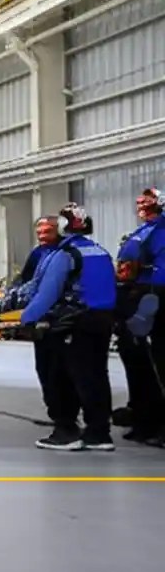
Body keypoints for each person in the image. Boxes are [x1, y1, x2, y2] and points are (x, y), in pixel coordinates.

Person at [19, 204, 118, 451]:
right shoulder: (100, 251)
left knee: (61, 377)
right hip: (103, 321)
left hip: (74, 323)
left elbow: (47, 293)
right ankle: (99, 433)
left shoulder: (66, 254)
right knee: (96, 376)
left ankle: (67, 431)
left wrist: (26, 319)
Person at [113, 187, 165, 446]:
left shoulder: (148, 233)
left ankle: (150, 421)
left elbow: (127, 266)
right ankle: (146, 420)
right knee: (145, 361)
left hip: (150, 296)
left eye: (146, 202)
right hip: (149, 295)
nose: (141, 206)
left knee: (145, 361)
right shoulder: (147, 232)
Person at [0, 216, 63, 425]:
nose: (43, 237)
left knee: (60, 370)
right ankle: (56, 411)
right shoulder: (38, 253)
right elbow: (25, 280)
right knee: (44, 367)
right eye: (40, 233)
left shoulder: (65, 253)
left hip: (61, 317)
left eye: (48, 232)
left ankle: (66, 417)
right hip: (40, 317)